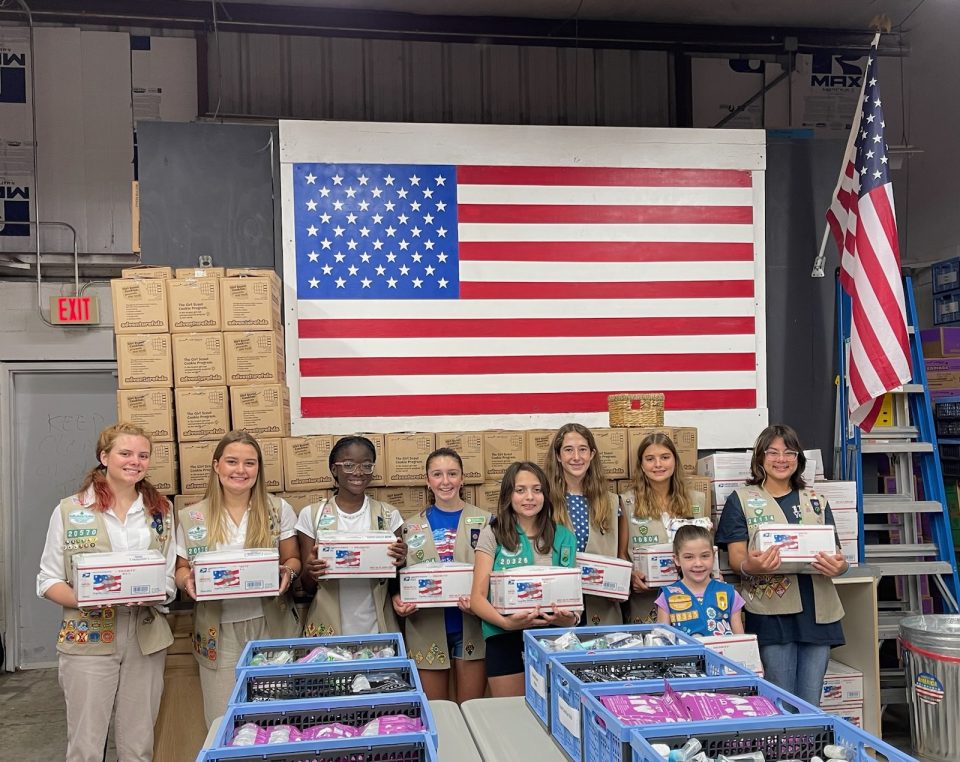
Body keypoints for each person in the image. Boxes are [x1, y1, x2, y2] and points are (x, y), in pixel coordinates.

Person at [37, 422, 176, 762]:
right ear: (104, 457)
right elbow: (47, 579)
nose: (135, 461)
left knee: (138, 743)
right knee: (86, 743)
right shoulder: (70, 511)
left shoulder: (162, 512)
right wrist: (89, 598)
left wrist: (156, 592)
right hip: (89, 634)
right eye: (125, 453)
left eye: (143, 455)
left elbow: (169, 576)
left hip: (145, 635)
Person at [714, 424, 848, 707]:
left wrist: (840, 567)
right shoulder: (742, 500)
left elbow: (837, 554)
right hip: (771, 609)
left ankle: (807, 748)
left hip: (818, 610)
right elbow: (737, 560)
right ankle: (783, 751)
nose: (781, 459)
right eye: (772, 452)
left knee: (811, 699)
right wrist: (752, 565)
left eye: (789, 452)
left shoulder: (816, 500)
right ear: (760, 458)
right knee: (779, 697)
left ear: (798, 459)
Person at [175, 430, 301, 727]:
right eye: (232, 461)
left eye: (250, 463)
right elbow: (181, 568)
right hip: (217, 629)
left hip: (270, 623)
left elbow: (292, 558)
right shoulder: (192, 517)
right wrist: (186, 582)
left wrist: (289, 572)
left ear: (258, 469)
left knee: (275, 719)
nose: (241, 470)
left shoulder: (277, 509)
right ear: (216, 465)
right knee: (223, 720)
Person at [470, 461, 580, 697]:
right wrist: (507, 623)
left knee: (555, 717)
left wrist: (567, 620)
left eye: (537, 490)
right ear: (509, 495)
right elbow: (477, 599)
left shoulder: (564, 536)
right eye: (520, 490)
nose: (529, 497)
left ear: (545, 495)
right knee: (511, 716)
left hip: (552, 638)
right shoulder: (493, 533)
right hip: (503, 638)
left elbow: (574, 601)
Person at [392, 448, 490, 702]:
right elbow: (398, 576)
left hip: (471, 624)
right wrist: (398, 599)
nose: (445, 481)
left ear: (462, 478)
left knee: (471, 710)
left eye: (452, 474)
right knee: (438, 712)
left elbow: (496, 574)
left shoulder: (486, 521)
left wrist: (482, 601)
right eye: (437, 474)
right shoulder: (408, 527)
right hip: (426, 625)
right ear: (427, 480)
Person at [297, 435, 407, 637]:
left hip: (378, 627)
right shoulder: (312, 515)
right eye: (348, 465)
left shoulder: (389, 515)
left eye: (366, 466)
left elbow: (395, 584)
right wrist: (311, 570)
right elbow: (307, 587)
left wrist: (401, 561)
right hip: (327, 629)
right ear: (333, 470)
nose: (358, 472)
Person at [618, 432, 709, 624]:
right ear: (641, 465)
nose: (658, 464)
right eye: (650, 459)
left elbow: (707, 548)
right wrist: (632, 576)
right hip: (646, 602)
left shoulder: (697, 500)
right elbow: (621, 554)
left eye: (665, 457)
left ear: (675, 461)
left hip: (691, 600)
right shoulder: (627, 502)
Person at [544, 423, 622, 626]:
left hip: (602, 605)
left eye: (583, 450)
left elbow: (621, 556)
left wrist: (620, 584)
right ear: (558, 456)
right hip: (557, 604)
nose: (576, 457)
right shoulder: (543, 500)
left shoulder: (612, 502)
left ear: (592, 454)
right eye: (568, 450)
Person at [655, 525, 745, 636]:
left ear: (714, 556)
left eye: (705, 556)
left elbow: (741, 643)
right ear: (677, 560)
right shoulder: (666, 596)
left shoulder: (730, 594)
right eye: (689, 557)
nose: (698, 563)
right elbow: (663, 643)